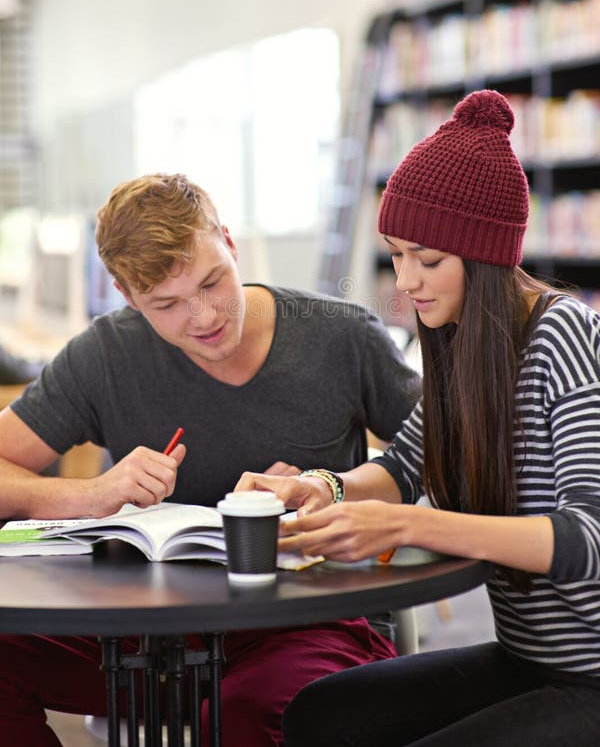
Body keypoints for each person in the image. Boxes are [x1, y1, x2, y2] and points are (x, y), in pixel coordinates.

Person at [0, 172, 421, 747]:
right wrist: (88, 496)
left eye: (212, 282)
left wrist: (330, 485)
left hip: (305, 622)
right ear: (127, 295)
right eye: (167, 304)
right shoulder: (106, 354)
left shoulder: (341, 336)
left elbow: (449, 452)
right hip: (145, 630)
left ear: (229, 242)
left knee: (251, 711)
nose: (203, 318)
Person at [237, 90, 600, 747]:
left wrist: (409, 523)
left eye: (427, 259)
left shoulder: (562, 333)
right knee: (319, 715)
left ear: (486, 256)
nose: (405, 281)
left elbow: (589, 538)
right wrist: (322, 488)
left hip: (589, 676)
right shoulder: (464, 343)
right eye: (397, 254)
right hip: (526, 660)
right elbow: (404, 466)